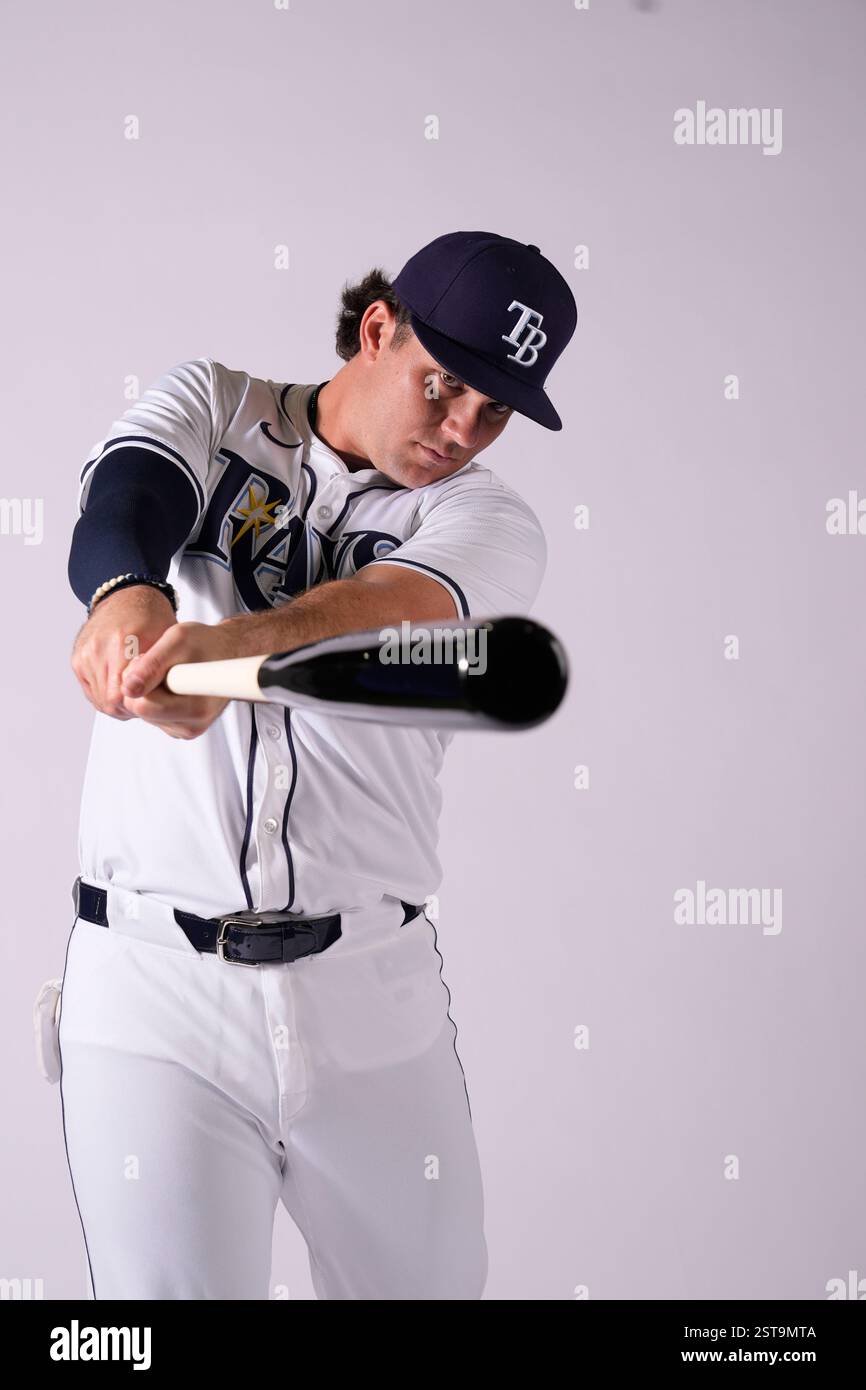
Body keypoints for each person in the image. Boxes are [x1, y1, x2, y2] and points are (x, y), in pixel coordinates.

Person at [58, 230, 577, 1300]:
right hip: (155, 987)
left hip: (370, 992)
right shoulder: (215, 403)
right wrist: (128, 610)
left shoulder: (485, 516)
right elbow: (123, 507)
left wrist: (212, 655)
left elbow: (392, 611)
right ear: (377, 328)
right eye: (444, 386)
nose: (461, 430)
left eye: (494, 410)